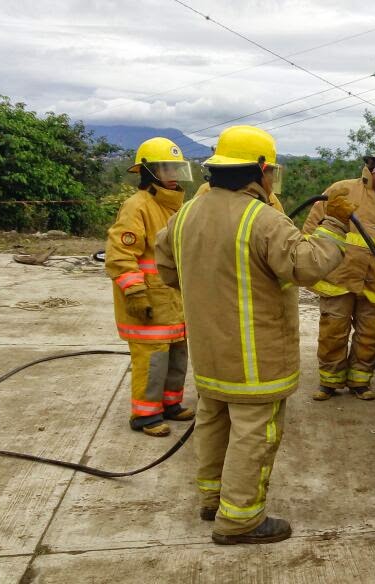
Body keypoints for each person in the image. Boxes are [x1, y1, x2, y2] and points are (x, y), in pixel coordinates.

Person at [155, 125, 356, 545]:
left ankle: (214, 501)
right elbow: (307, 266)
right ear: (261, 171)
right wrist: (335, 225)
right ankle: (240, 519)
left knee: (213, 421)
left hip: (210, 355)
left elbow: (168, 267)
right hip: (255, 359)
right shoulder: (263, 219)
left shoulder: (187, 212)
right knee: (254, 434)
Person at [302, 147, 375, 401]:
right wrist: (310, 263)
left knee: (369, 334)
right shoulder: (343, 190)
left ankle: (360, 382)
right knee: (333, 331)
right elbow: (311, 228)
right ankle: (329, 382)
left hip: (374, 284)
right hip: (338, 279)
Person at [105, 137, 194, 437]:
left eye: (175, 167)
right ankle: (144, 415)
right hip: (149, 303)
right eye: (165, 168)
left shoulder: (174, 208)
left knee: (177, 356)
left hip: (174, 302)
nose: (172, 174)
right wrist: (135, 292)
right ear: (149, 172)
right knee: (153, 361)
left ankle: (170, 405)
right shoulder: (137, 206)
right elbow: (119, 255)